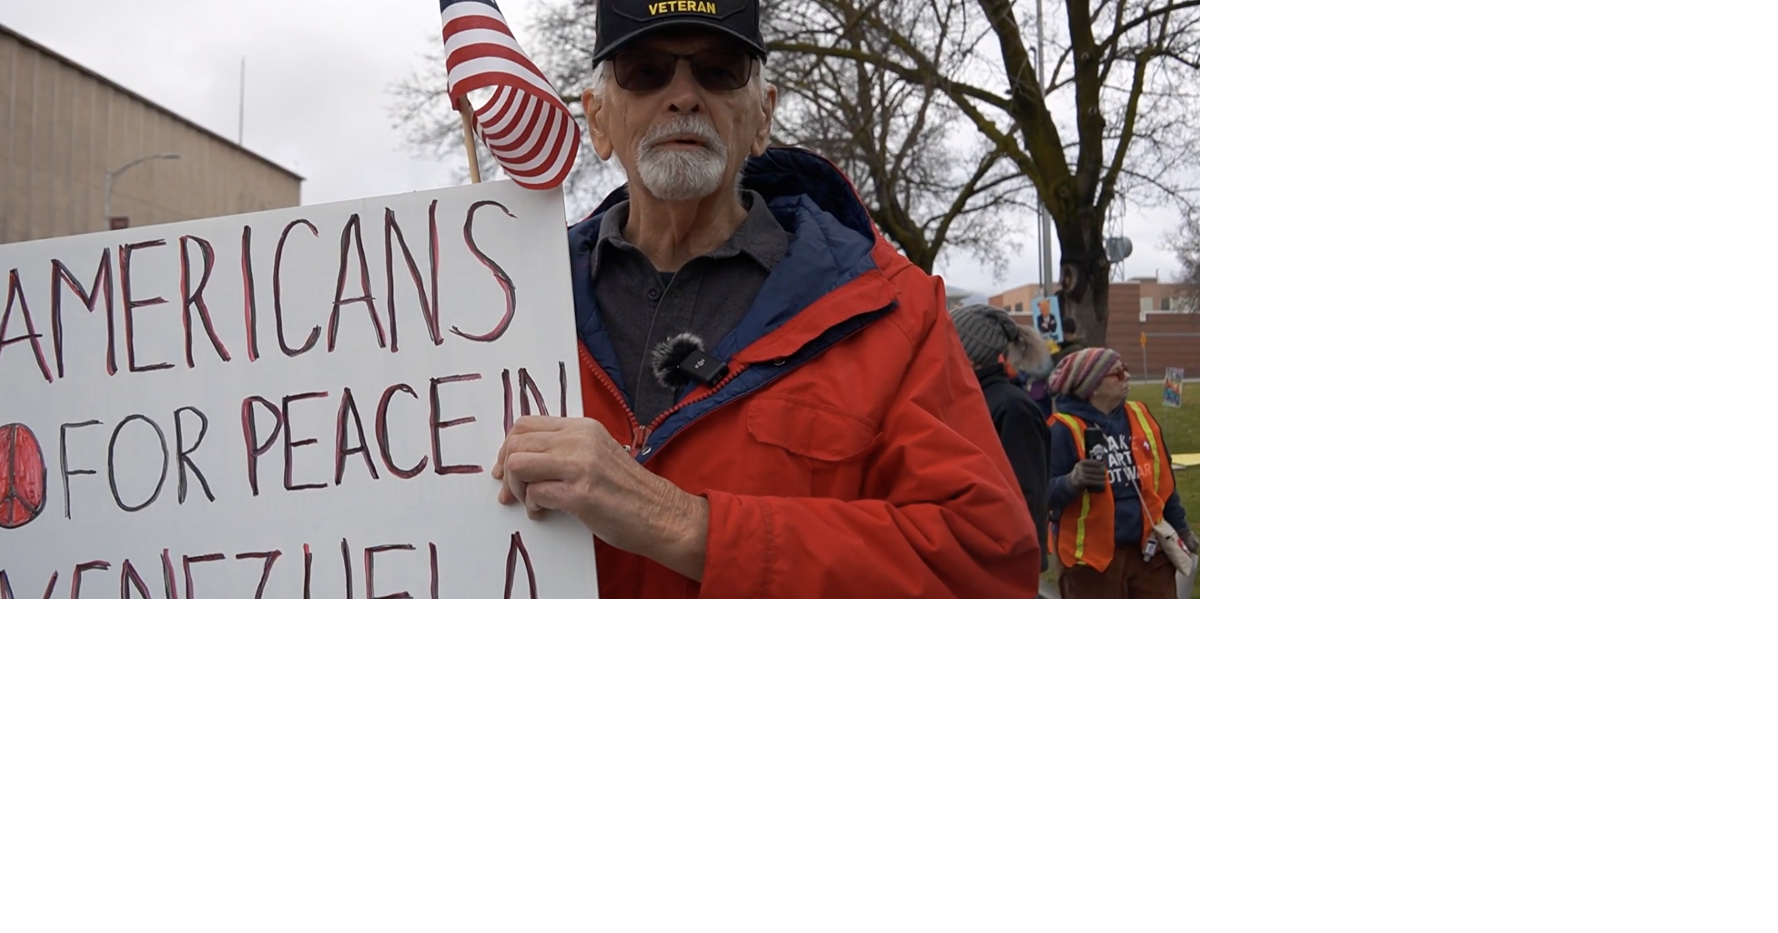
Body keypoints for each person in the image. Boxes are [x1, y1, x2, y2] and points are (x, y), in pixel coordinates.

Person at [491, 0, 1038, 597]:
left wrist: (688, 526)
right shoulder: (499, 309)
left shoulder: (895, 312)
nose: (683, 96)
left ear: (762, 118)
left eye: (719, 69)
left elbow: (982, 562)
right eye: (645, 72)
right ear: (597, 122)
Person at [1046, 348, 1198, 599]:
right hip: (1092, 564)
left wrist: (1181, 529)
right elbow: (1039, 494)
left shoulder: (1141, 416)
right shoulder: (1062, 430)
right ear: (1092, 386)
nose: (1127, 376)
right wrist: (1071, 482)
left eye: (1125, 368)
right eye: (1118, 373)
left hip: (1150, 554)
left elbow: (1164, 484)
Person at [950, 304, 1053, 578]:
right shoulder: (971, 399)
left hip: (1001, 567)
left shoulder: (1012, 408)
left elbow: (1025, 493)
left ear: (970, 355)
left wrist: (1015, 564)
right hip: (971, 558)